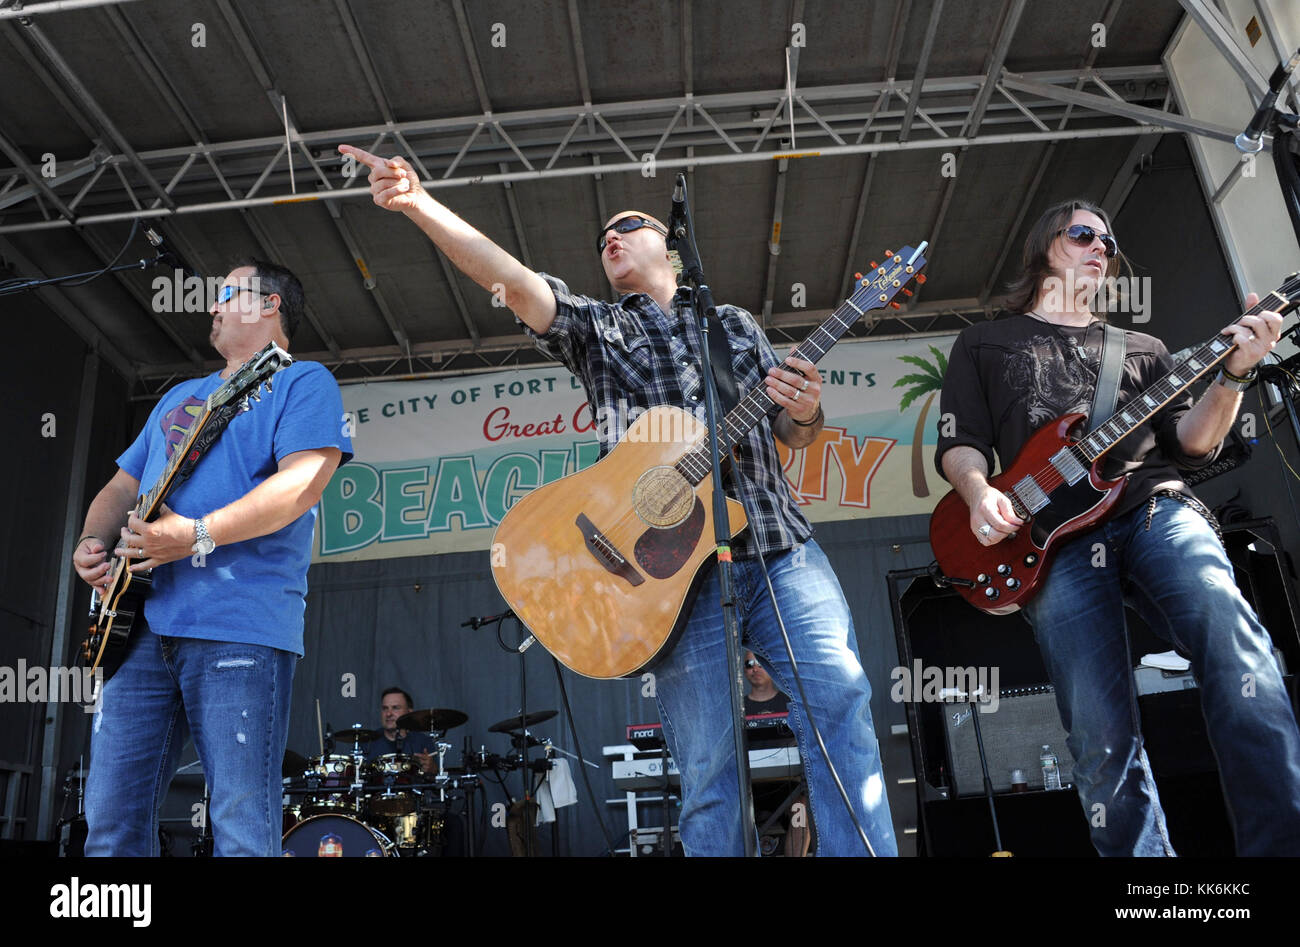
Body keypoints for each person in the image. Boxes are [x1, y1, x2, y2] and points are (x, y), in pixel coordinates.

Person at [338, 143, 896, 857]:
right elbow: (508, 279)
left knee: (842, 705)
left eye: (626, 225)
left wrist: (809, 408)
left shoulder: (733, 326)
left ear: (669, 244)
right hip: (670, 581)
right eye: (600, 239)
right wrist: (418, 202)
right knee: (707, 767)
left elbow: (794, 433)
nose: (609, 238)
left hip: (779, 547)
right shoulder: (601, 331)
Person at [936, 198, 1300, 855]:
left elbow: (1194, 445)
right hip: (1053, 544)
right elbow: (961, 442)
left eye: (1108, 240)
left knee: (1234, 639)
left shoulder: (1142, 348)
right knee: (1099, 737)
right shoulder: (985, 343)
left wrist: (1235, 375)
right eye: (1084, 235)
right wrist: (977, 491)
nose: (1102, 247)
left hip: (1153, 506)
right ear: (1047, 247)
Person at [72, 259, 352, 857]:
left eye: (225, 294)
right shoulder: (179, 396)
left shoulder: (304, 383)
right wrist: (91, 545)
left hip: (238, 625)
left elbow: (301, 485)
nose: (212, 306)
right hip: (140, 623)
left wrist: (197, 534)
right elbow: (122, 488)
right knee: (110, 819)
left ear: (271, 305)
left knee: (240, 823)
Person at [371, 686, 439, 774]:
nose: (388, 713)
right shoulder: (368, 742)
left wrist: (432, 768)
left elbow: (436, 778)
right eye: (385, 708)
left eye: (395, 708)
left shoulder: (423, 742)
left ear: (409, 712)